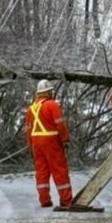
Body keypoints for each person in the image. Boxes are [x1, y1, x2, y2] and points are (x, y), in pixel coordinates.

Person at [25, 80, 73, 208]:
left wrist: (30, 146)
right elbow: (60, 124)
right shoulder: (52, 105)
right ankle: (66, 200)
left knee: (41, 171)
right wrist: (65, 139)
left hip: (36, 142)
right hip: (51, 141)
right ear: (48, 92)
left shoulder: (31, 108)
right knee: (59, 169)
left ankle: (44, 200)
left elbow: (28, 129)